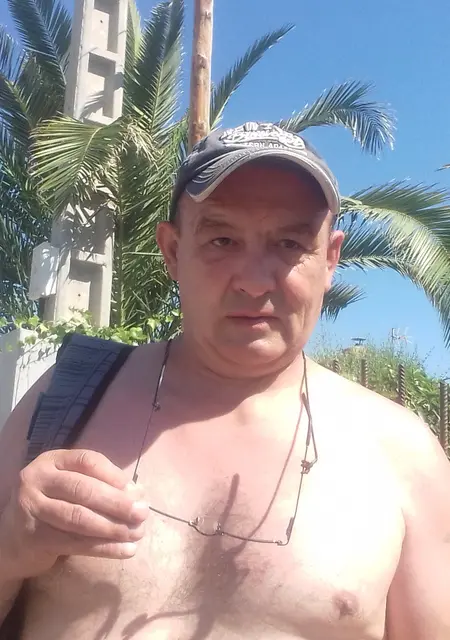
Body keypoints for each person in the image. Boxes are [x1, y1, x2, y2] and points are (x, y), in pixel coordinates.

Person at [0, 121, 449, 640]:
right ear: (172, 251)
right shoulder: (67, 398)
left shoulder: (401, 454)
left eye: (289, 243)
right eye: (222, 239)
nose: (254, 281)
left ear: (330, 260)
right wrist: (9, 548)